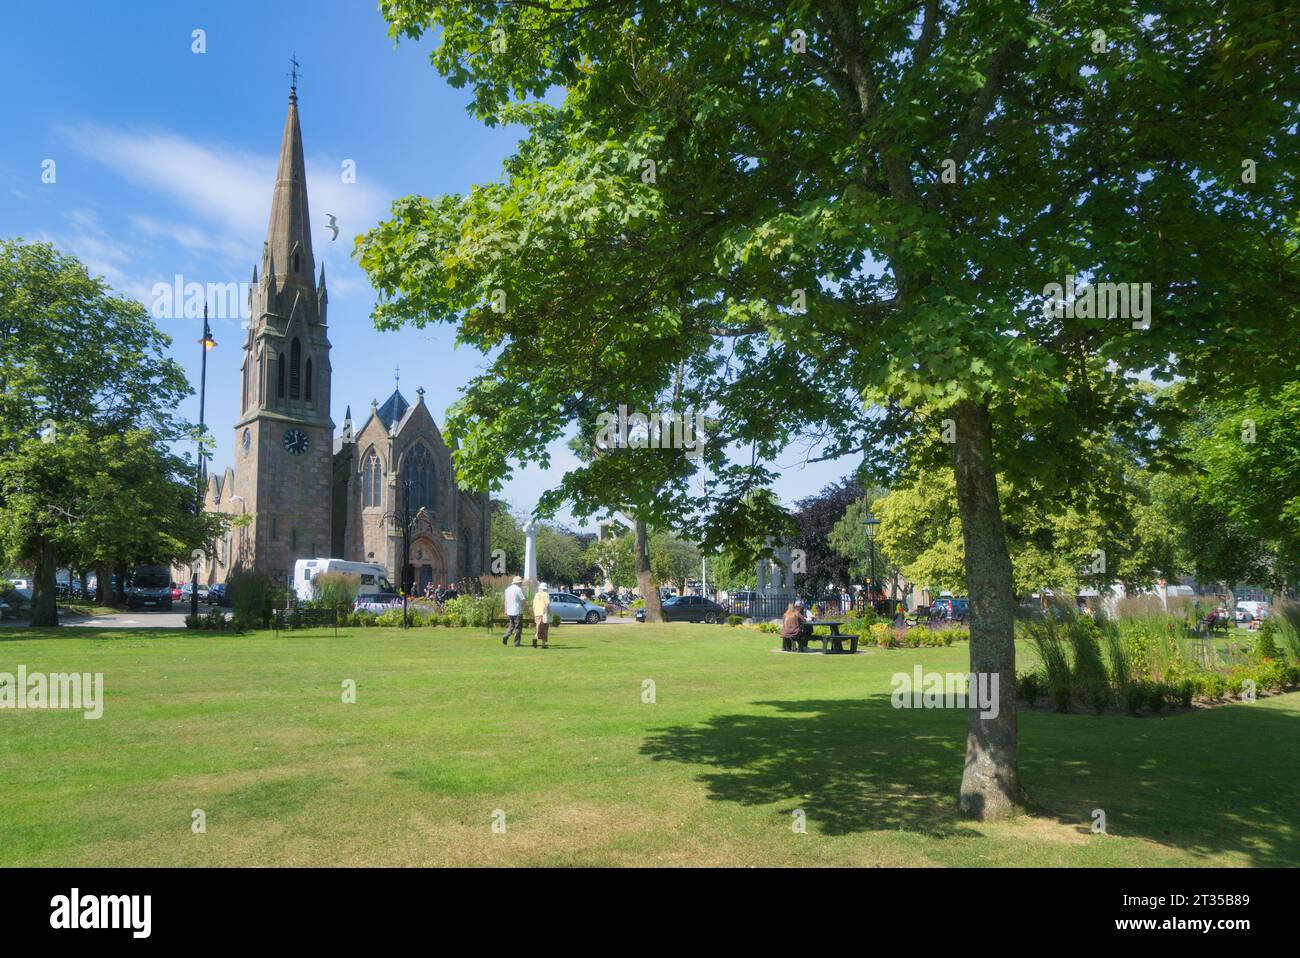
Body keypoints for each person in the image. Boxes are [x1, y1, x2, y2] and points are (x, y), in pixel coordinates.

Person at [502, 576, 525, 647]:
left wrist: (506, 610)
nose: (521, 583)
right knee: (518, 628)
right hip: (517, 611)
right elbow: (523, 600)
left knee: (511, 625)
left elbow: (506, 601)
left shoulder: (507, 589)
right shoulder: (518, 589)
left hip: (509, 611)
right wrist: (523, 607)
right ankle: (516, 643)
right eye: (521, 582)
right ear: (518, 583)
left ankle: (506, 635)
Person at [533, 582, 552, 649]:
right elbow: (547, 604)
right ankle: (543, 644)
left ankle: (535, 637)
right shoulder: (546, 594)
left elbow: (534, 606)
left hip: (536, 613)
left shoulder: (536, 595)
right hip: (544, 613)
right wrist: (549, 612)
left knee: (538, 627)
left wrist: (534, 614)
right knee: (545, 629)